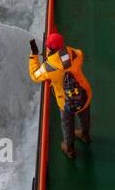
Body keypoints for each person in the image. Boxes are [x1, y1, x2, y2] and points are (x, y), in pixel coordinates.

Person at [28, 31, 93, 159]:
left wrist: (33, 57)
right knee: (84, 116)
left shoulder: (48, 68)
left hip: (65, 102)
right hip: (83, 94)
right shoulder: (72, 53)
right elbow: (80, 53)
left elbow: (35, 75)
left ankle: (69, 149)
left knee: (67, 125)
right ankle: (84, 135)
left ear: (49, 48)